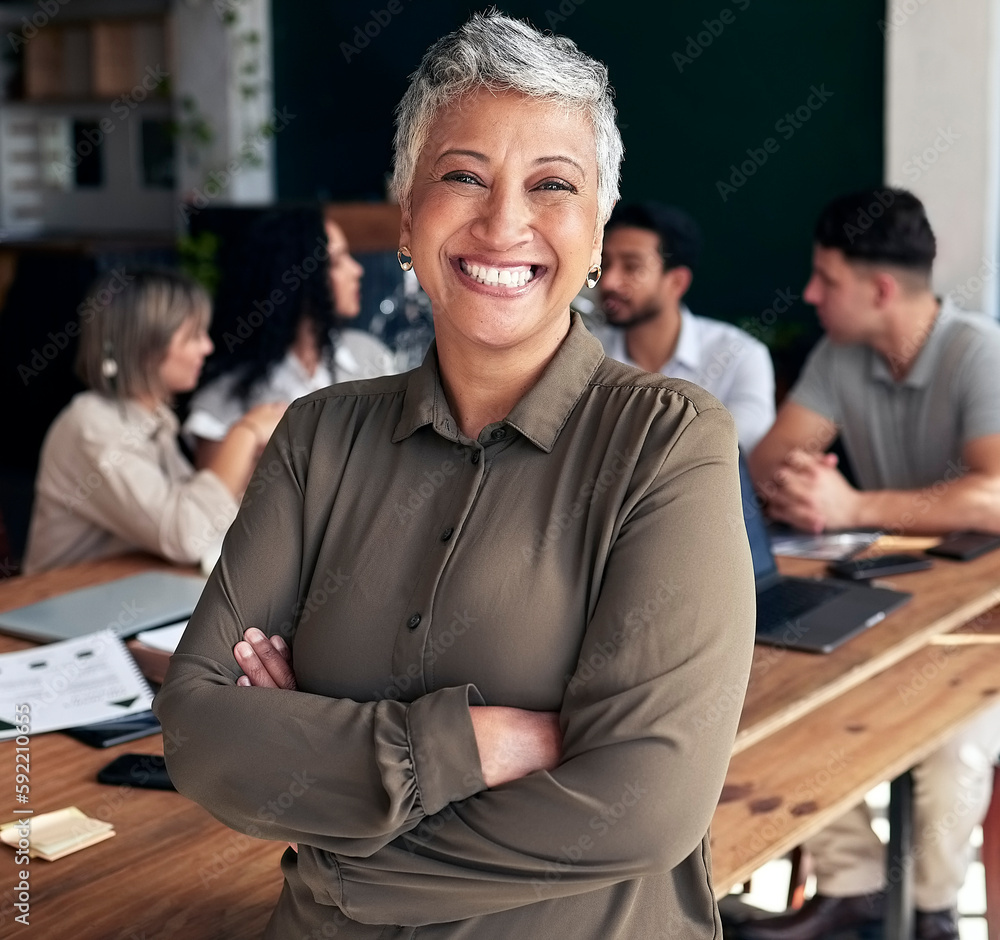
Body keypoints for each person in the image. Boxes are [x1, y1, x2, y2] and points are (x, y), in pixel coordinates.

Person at [153, 12, 755, 939]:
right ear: (406, 218)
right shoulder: (318, 437)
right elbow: (198, 730)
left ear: (597, 237)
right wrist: (473, 745)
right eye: (463, 175)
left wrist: (337, 853)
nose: (503, 222)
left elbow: (641, 804)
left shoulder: (667, 442)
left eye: (553, 185)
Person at [742, 188, 1000, 940]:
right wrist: (798, 483)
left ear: (880, 289)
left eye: (826, 279)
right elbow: (765, 465)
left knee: (953, 746)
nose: (812, 294)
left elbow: (994, 495)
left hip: (981, 628)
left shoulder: (977, 351)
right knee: (792, 699)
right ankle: (852, 891)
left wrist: (854, 507)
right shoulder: (839, 354)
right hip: (896, 607)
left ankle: (931, 915)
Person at [22, 270, 283, 575]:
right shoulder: (92, 425)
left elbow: (206, 523)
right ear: (148, 347)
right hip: (61, 609)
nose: (207, 347)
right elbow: (186, 535)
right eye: (193, 336)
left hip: (129, 598)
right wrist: (245, 433)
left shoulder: (155, 420)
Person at [183, 206, 398, 468]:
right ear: (300, 279)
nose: (357, 270)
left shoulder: (371, 356)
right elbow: (214, 502)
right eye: (337, 261)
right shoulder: (226, 394)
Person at [594, 201, 775, 451]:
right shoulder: (586, 352)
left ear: (677, 283)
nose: (609, 282)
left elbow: (735, 458)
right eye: (605, 264)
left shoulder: (740, 356)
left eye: (632, 267)